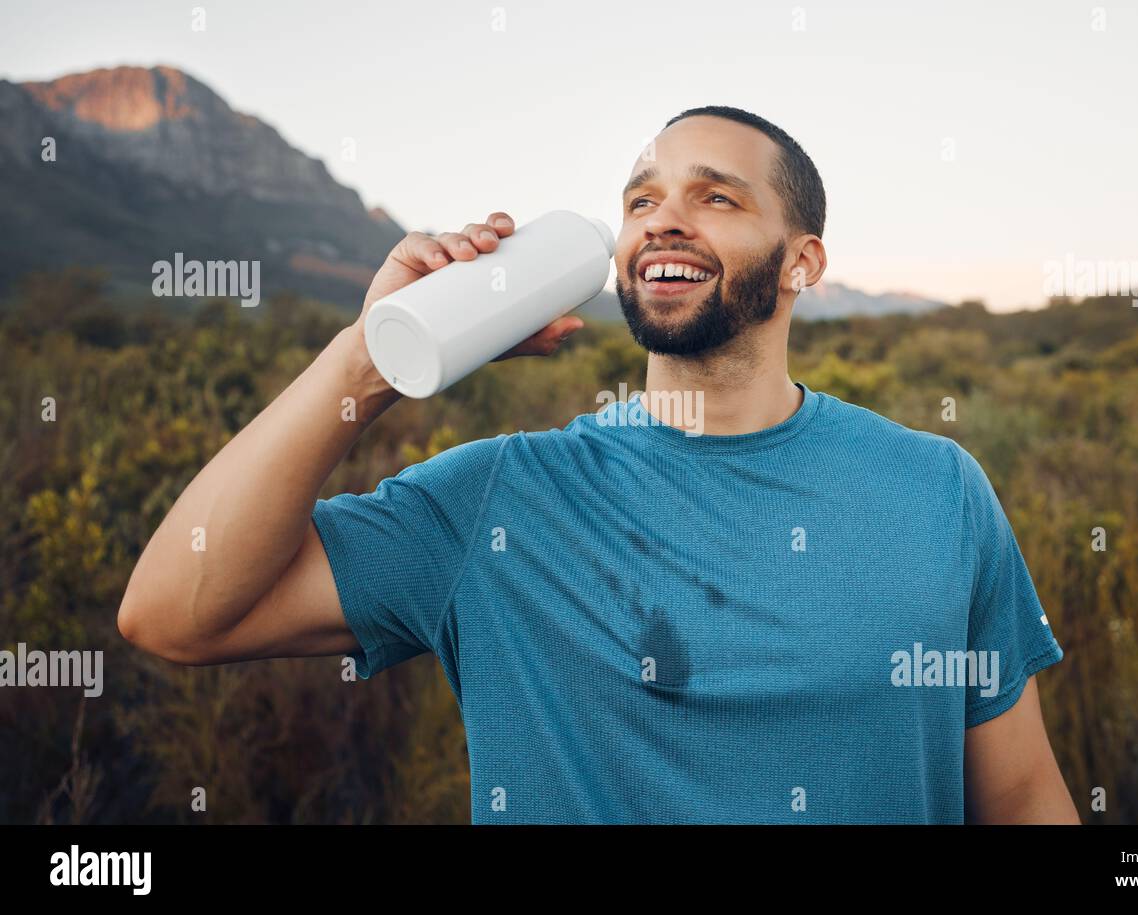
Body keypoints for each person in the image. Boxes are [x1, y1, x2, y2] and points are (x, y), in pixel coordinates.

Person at [119, 105, 1078, 824]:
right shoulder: (497, 497)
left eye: (715, 196)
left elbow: (1025, 793)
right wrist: (369, 360)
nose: (664, 219)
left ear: (803, 262)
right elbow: (176, 614)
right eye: (641, 200)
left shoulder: (937, 488)